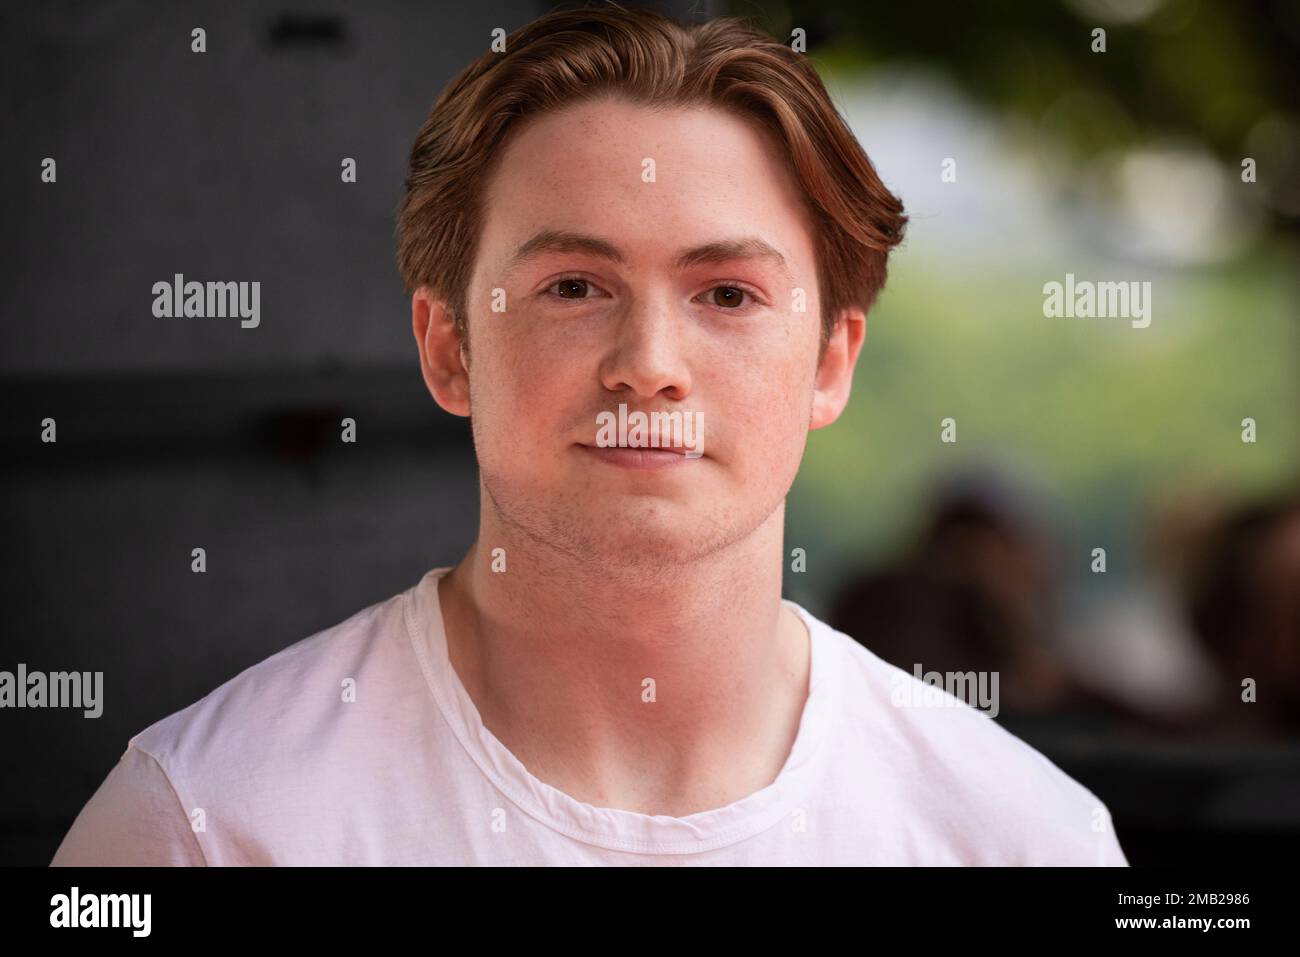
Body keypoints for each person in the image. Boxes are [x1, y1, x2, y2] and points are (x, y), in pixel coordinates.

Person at [51, 2, 1127, 865]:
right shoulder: (205, 826)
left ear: (831, 361)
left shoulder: (1025, 840)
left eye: (727, 294)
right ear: (450, 348)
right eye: (573, 284)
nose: (648, 362)